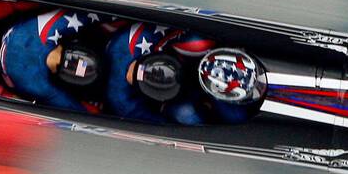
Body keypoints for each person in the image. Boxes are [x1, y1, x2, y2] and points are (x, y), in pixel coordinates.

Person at [101, 23, 252, 126]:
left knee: (198, 41)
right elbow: (160, 125)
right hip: (178, 98)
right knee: (187, 115)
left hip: (188, 61)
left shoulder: (140, 37)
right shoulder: (122, 102)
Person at [0, 8, 108, 112]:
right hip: (8, 42)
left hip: (10, 32)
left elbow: (75, 109)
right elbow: (73, 107)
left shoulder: (52, 28)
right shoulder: (42, 87)